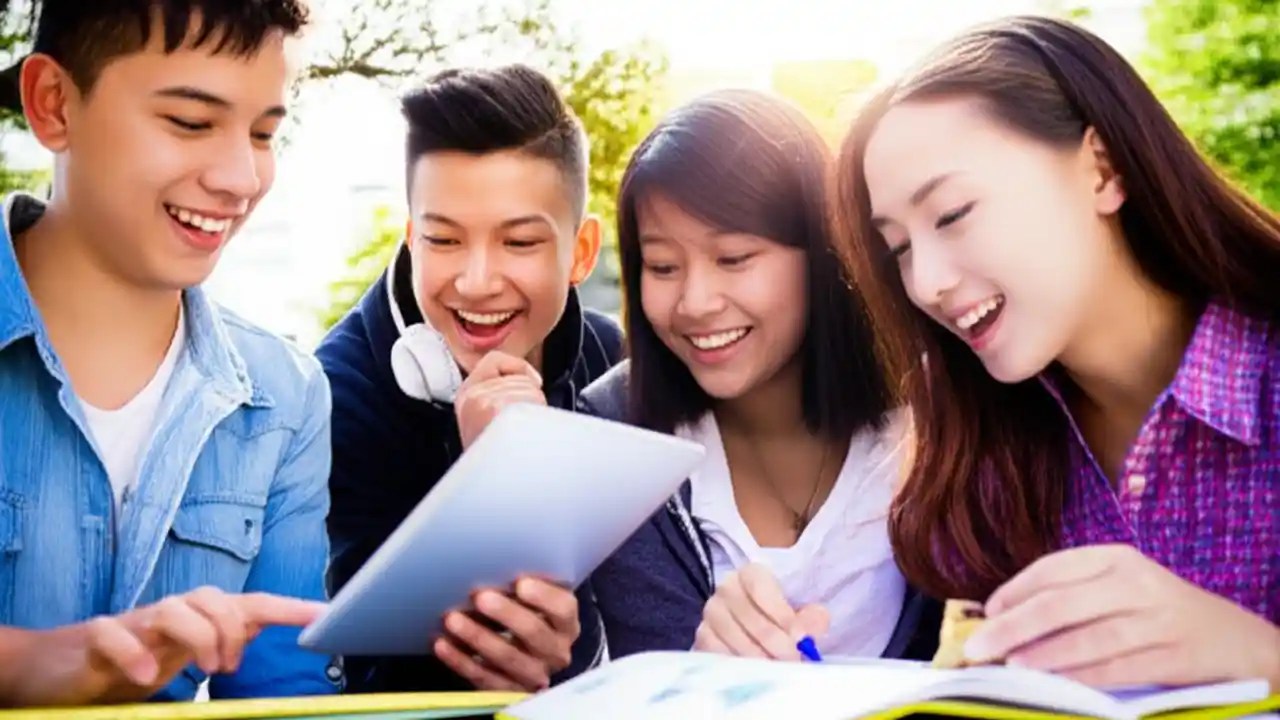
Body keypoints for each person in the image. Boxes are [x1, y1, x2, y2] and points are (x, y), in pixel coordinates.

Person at [836, 15, 1280, 690]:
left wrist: (1257, 653)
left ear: (1103, 168)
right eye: (898, 247)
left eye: (953, 213)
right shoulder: (971, 438)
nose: (925, 282)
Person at [0, 0, 338, 706]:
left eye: (264, 133)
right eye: (190, 123)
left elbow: (287, 690)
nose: (241, 179)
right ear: (53, 104)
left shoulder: (287, 395)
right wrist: (37, 664)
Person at [581, 90, 940, 662]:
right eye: (664, 267)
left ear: (825, 252)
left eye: (734, 259)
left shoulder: (935, 404)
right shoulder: (617, 437)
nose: (695, 302)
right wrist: (703, 682)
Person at [317, 64, 622, 694]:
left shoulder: (606, 361)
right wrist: (488, 477)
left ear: (581, 252)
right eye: (444, 240)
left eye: (518, 243)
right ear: (411, 238)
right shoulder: (333, 399)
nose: (477, 281)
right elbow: (356, 677)